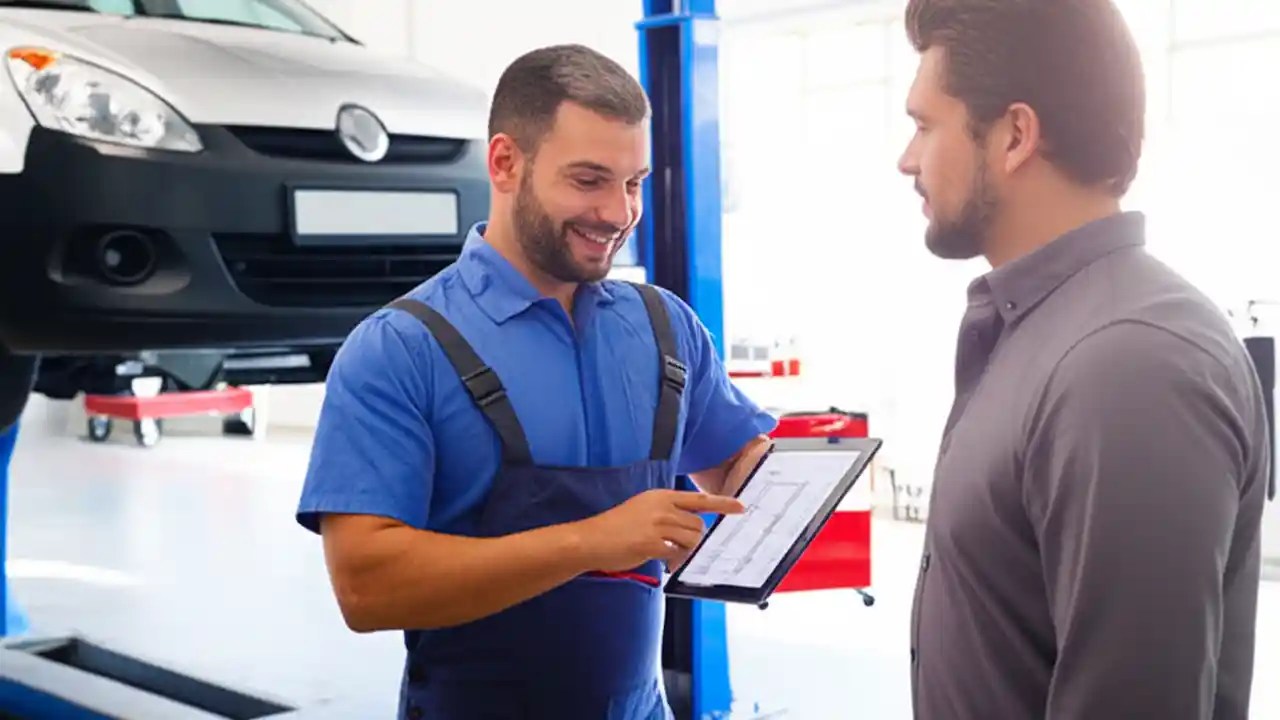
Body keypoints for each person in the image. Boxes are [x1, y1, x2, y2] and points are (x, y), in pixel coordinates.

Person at [296, 43, 776, 720]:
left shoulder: (663, 329)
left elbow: (734, 466)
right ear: (504, 163)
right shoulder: (401, 350)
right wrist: (596, 540)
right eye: (588, 181)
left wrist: (783, 483)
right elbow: (366, 588)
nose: (618, 212)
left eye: (633, 182)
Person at [897, 2, 1269, 719]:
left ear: (1014, 136)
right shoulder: (1046, 330)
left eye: (923, 124)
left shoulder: (1127, 364)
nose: (907, 158)